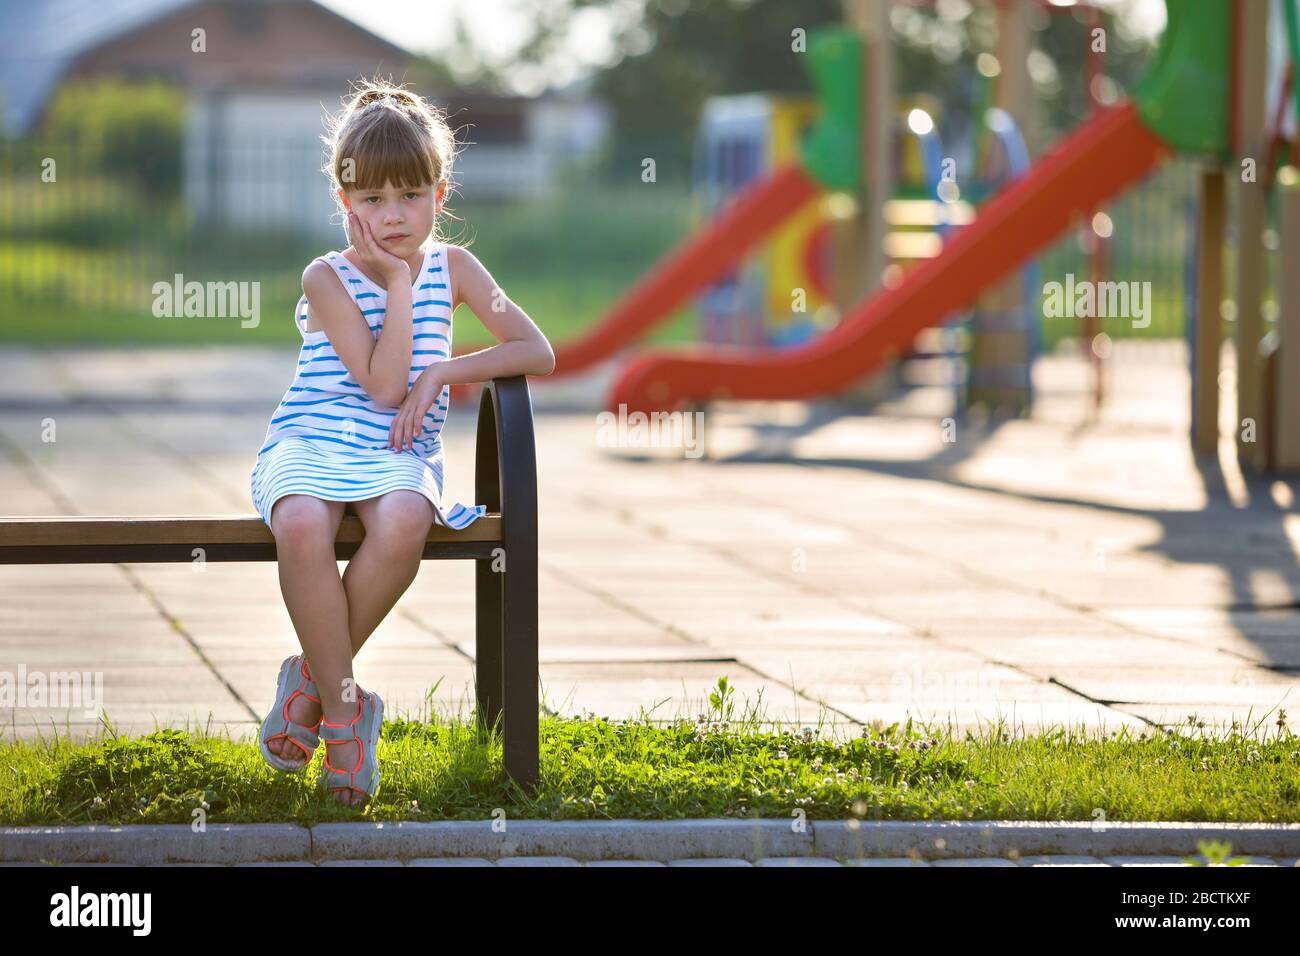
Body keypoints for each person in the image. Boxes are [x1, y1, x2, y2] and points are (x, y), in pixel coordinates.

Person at [251, 78, 555, 807]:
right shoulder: (326, 277)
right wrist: (392, 285)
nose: (394, 216)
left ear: (439, 192)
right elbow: (385, 385)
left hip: (394, 454)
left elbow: (535, 349)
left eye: (411, 197)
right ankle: (348, 711)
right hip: (314, 438)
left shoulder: (455, 268)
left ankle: (312, 684)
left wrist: (449, 368)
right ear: (345, 201)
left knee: (406, 520)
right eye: (374, 199)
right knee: (300, 522)